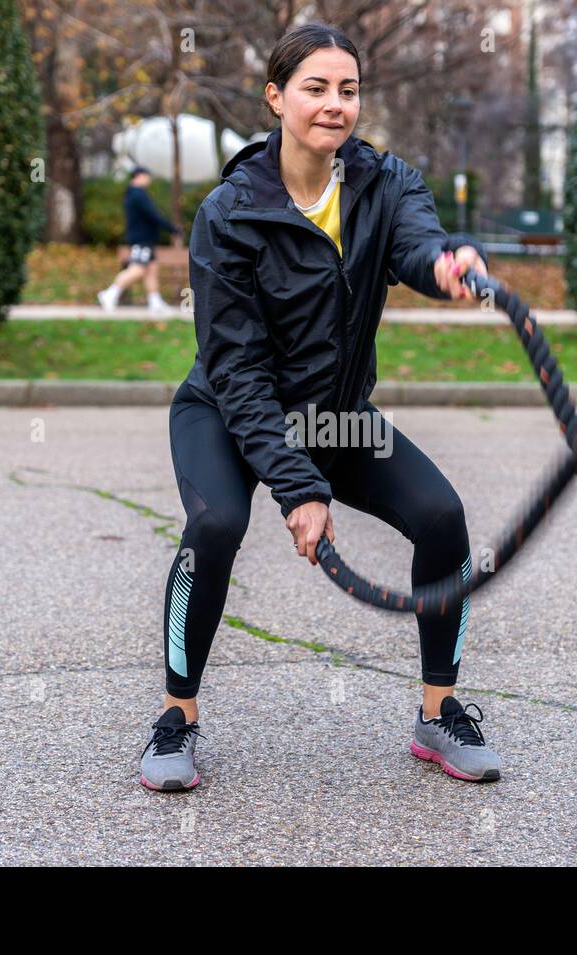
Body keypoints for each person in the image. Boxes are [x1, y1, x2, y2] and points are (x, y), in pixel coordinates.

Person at [139, 22, 502, 792]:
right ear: (276, 98)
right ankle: (177, 718)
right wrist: (298, 487)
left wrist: (447, 265)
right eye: (315, 88)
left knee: (443, 517)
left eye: (348, 89)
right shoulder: (229, 214)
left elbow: (416, 244)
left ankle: (439, 714)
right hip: (227, 410)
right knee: (216, 525)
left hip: (330, 415)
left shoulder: (384, 183)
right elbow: (236, 370)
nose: (334, 104)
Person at [97, 167, 180, 314]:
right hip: (142, 239)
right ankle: (109, 293)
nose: (149, 180)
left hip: (143, 238)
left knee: (151, 270)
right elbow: (153, 215)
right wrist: (172, 228)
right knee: (138, 269)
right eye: (147, 177)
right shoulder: (138, 194)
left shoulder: (133, 193)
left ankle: (155, 302)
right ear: (139, 176)